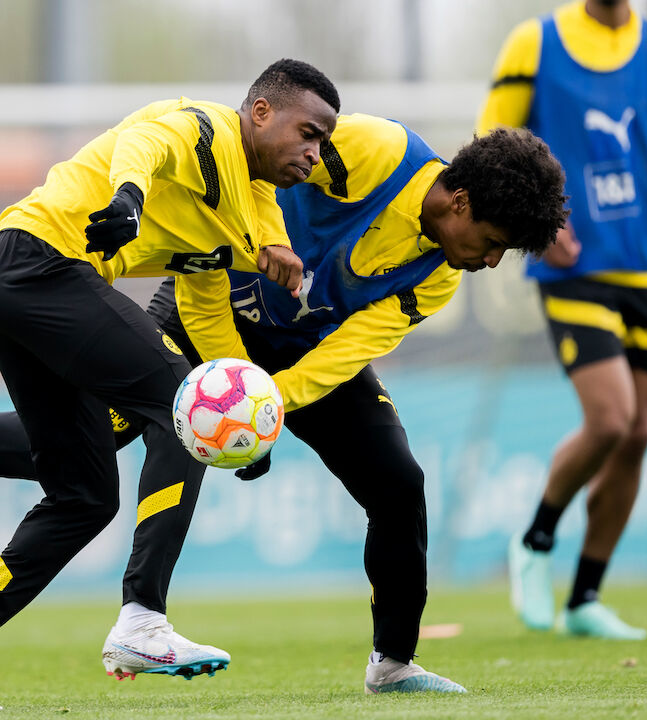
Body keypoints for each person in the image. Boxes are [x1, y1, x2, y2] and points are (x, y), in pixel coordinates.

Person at [0, 117, 567, 693]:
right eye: (494, 243)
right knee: (91, 441)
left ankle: (393, 664)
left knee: (399, 483)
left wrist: (264, 409)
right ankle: (142, 620)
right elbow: (220, 213)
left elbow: (349, 349)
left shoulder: (440, 274)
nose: (492, 261)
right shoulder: (370, 152)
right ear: (462, 201)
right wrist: (231, 385)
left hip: (302, 353)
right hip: (209, 308)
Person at [0, 58, 338, 676]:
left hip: (25, 279)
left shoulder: (252, 214)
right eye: (309, 133)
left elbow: (206, 313)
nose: (316, 153)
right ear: (261, 113)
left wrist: (248, 424)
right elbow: (143, 140)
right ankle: (143, 621)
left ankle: (139, 619)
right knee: (185, 406)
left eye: (324, 142)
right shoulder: (208, 128)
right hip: (38, 257)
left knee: (84, 493)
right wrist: (127, 197)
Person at [477, 0, 647, 641]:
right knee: (610, 419)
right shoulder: (536, 43)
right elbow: (487, 152)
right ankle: (534, 543)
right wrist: (543, 223)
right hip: (574, 264)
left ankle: (586, 597)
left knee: (639, 433)